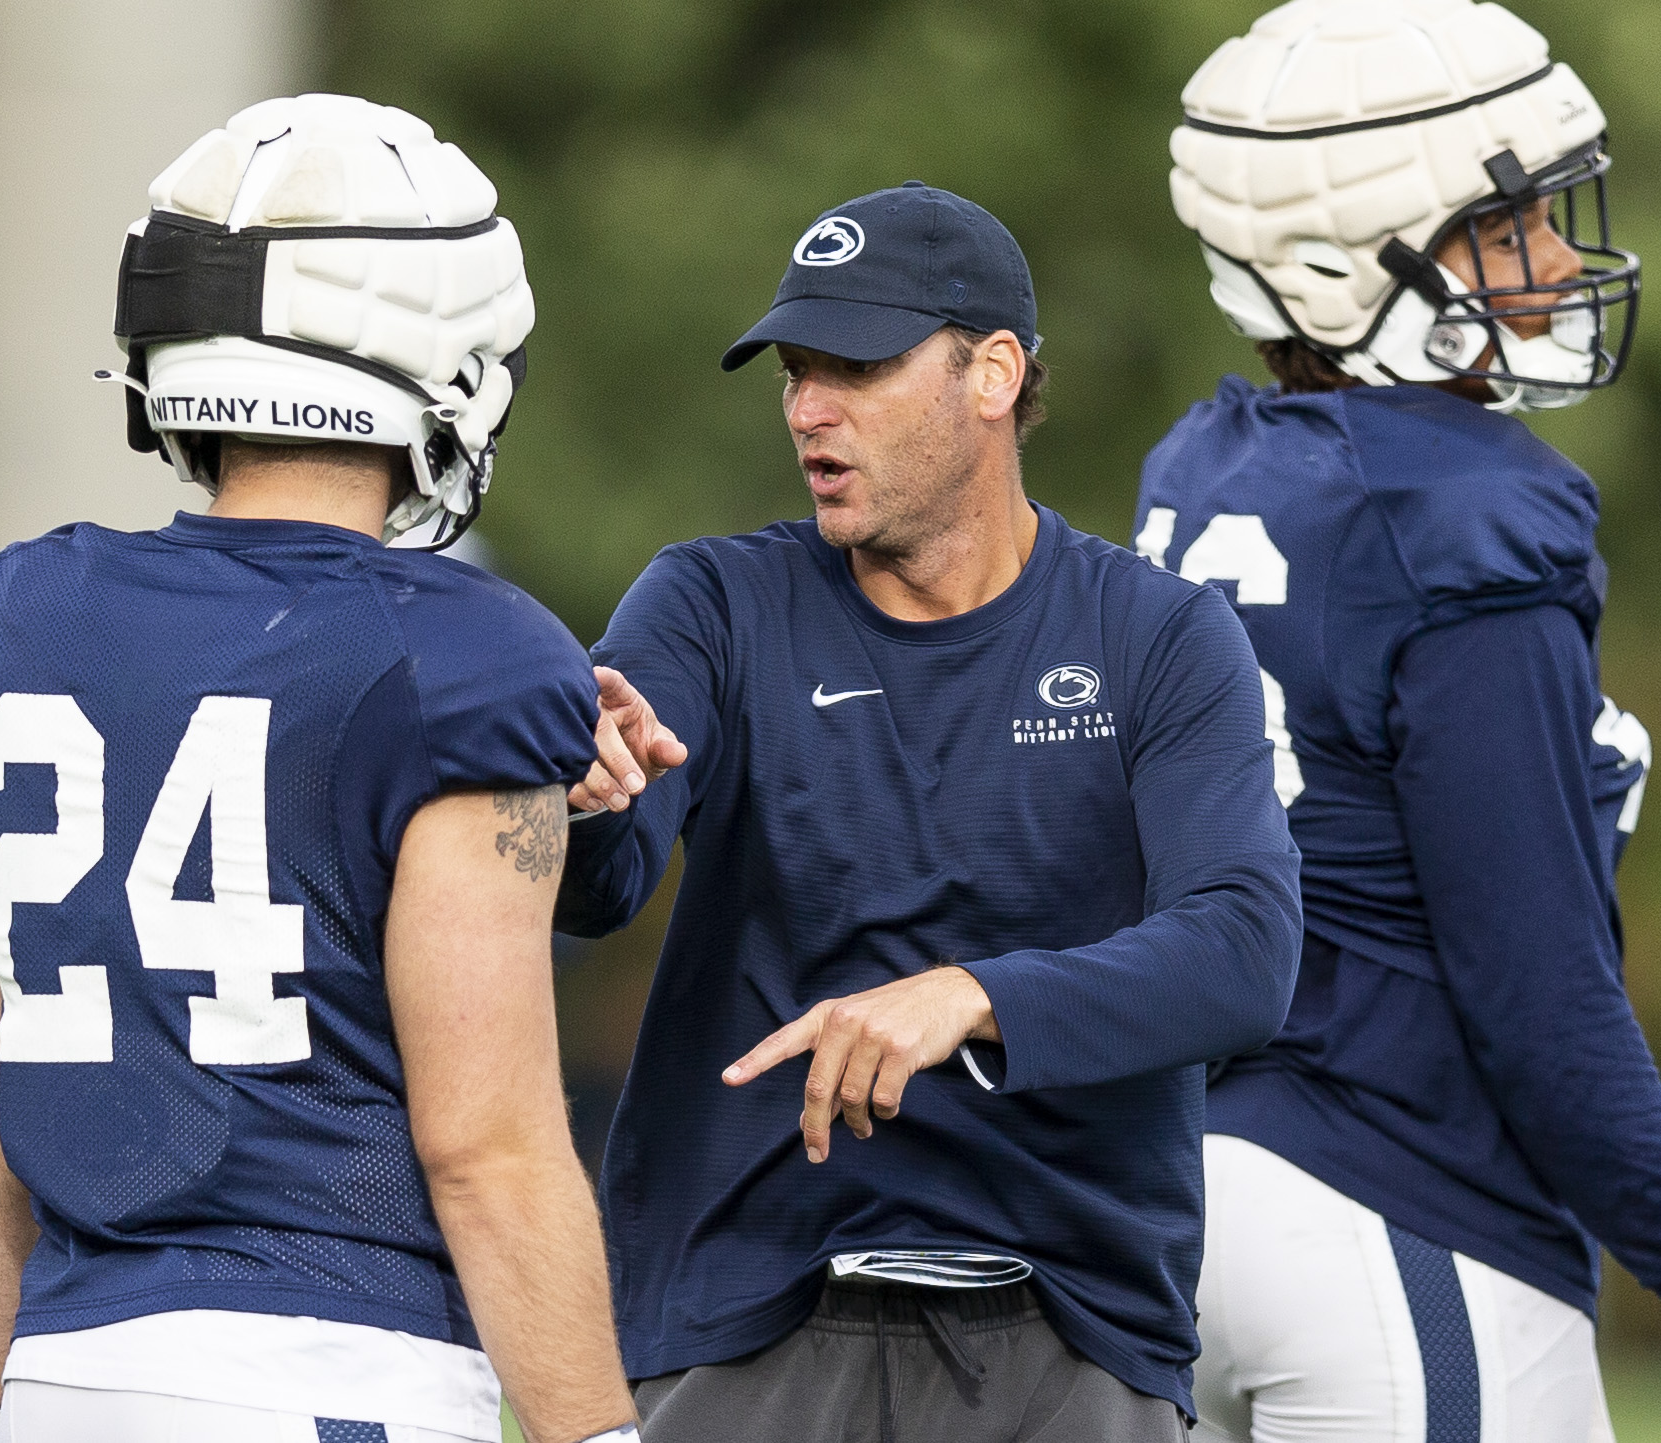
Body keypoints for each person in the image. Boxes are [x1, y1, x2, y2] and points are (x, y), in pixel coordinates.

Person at [1145, 3, 1661, 1440]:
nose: (1560, 258)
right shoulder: (1464, 517)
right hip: (1399, 1209)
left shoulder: (1205, 466)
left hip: (1170, 1196)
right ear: (1338, 267)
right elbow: (1539, 994)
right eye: (1507, 226)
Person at [0, 93, 636, 1443]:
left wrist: (0, 1395)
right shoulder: (470, 652)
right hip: (330, 1363)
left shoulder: (11, 613)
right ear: (451, 352)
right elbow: (487, 1151)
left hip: (63, 1363)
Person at [556, 181, 1304, 1442]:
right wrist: (578, 801)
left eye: (854, 365)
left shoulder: (1160, 636)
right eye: (795, 371)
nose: (807, 410)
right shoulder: (707, 603)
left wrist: (977, 997)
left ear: (993, 374)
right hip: (746, 1316)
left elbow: (1242, 954)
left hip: (1072, 1329)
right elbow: (600, 887)